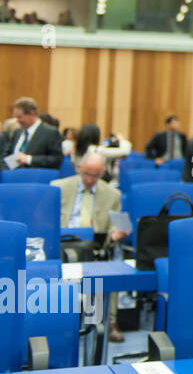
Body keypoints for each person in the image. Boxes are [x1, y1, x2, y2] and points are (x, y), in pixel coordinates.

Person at [52, 152, 129, 341]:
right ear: (79, 168)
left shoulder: (113, 194)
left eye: (95, 175)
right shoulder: (58, 188)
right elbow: (45, 220)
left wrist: (118, 232)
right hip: (62, 244)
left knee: (112, 264)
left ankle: (110, 321)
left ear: (103, 172)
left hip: (94, 247)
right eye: (86, 173)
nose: (89, 179)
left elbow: (118, 224)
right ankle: (56, 321)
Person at [0, 97, 63, 169]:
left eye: (19, 117)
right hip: (13, 177)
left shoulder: (50, 133)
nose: (17, 120)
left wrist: (29, 159)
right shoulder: (17, 132)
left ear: (32, 114)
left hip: (36, 177)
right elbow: (5, 156)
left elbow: (56, 160)